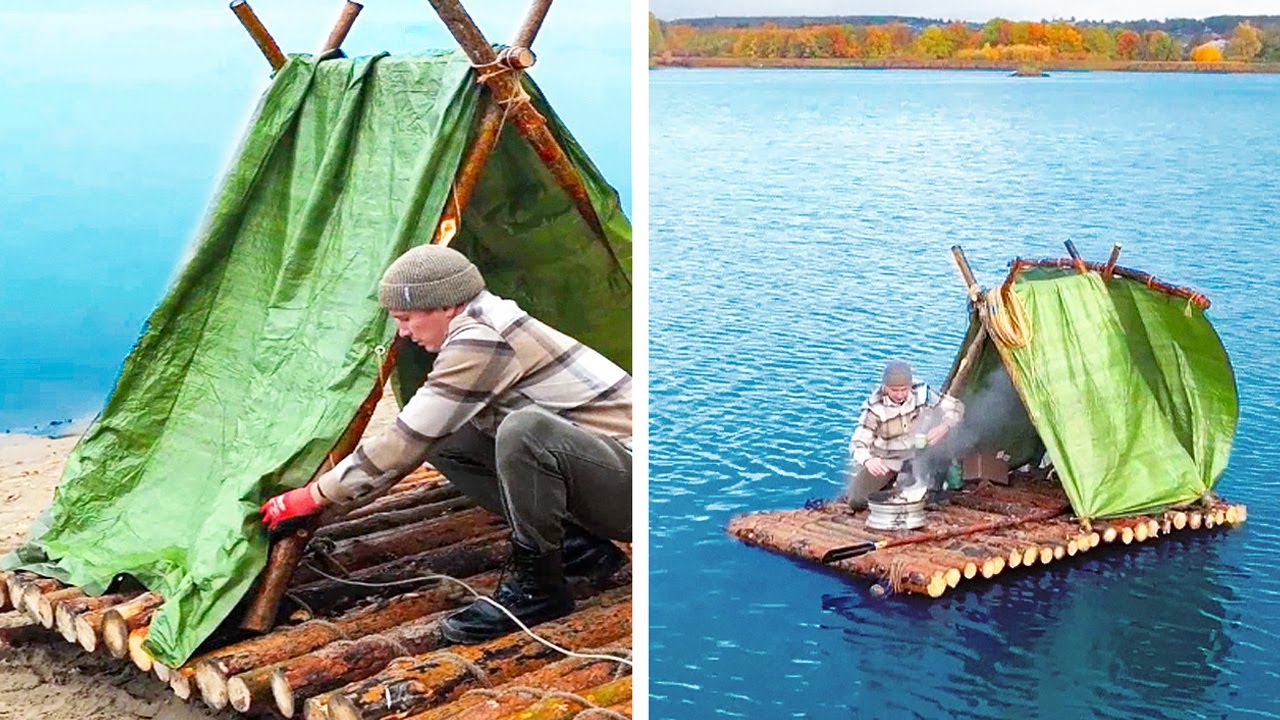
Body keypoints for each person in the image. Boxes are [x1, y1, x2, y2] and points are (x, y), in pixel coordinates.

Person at [259, 244, 632, 643]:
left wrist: (313, 497)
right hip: (610, 471)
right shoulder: (482, 318)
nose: (403, 332)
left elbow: (404, 440)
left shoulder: (481, 339)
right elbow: (426, 433)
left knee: (526, 432)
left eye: (406, 318)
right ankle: (579, 546)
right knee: (450, 436)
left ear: (447, 306)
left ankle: (538, 589)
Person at [846, 360, 964, 509]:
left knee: (948, 434)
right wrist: (868, 461)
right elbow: (857, 444)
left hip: (917, 455)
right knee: (857, 501)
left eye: (904, 389)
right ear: (885, 387)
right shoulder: (874, 408)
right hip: (888, 461)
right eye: (894, 390)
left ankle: (935, 488)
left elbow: (956, 407)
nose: (900, 395)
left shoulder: (922, 391)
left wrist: (944, 426)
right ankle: (892, 484)